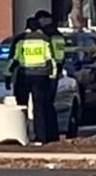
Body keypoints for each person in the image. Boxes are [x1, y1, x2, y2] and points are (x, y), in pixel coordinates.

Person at [8, 16, 58, 145]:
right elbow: (51, 60)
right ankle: (40, 137)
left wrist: (7, 76)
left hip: (23, 75)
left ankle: (22, 135)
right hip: (41, 76)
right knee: (39, 107)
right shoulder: (44, 39)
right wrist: (52, 77)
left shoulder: (20, 39)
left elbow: (14, 59)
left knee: (21, 107)